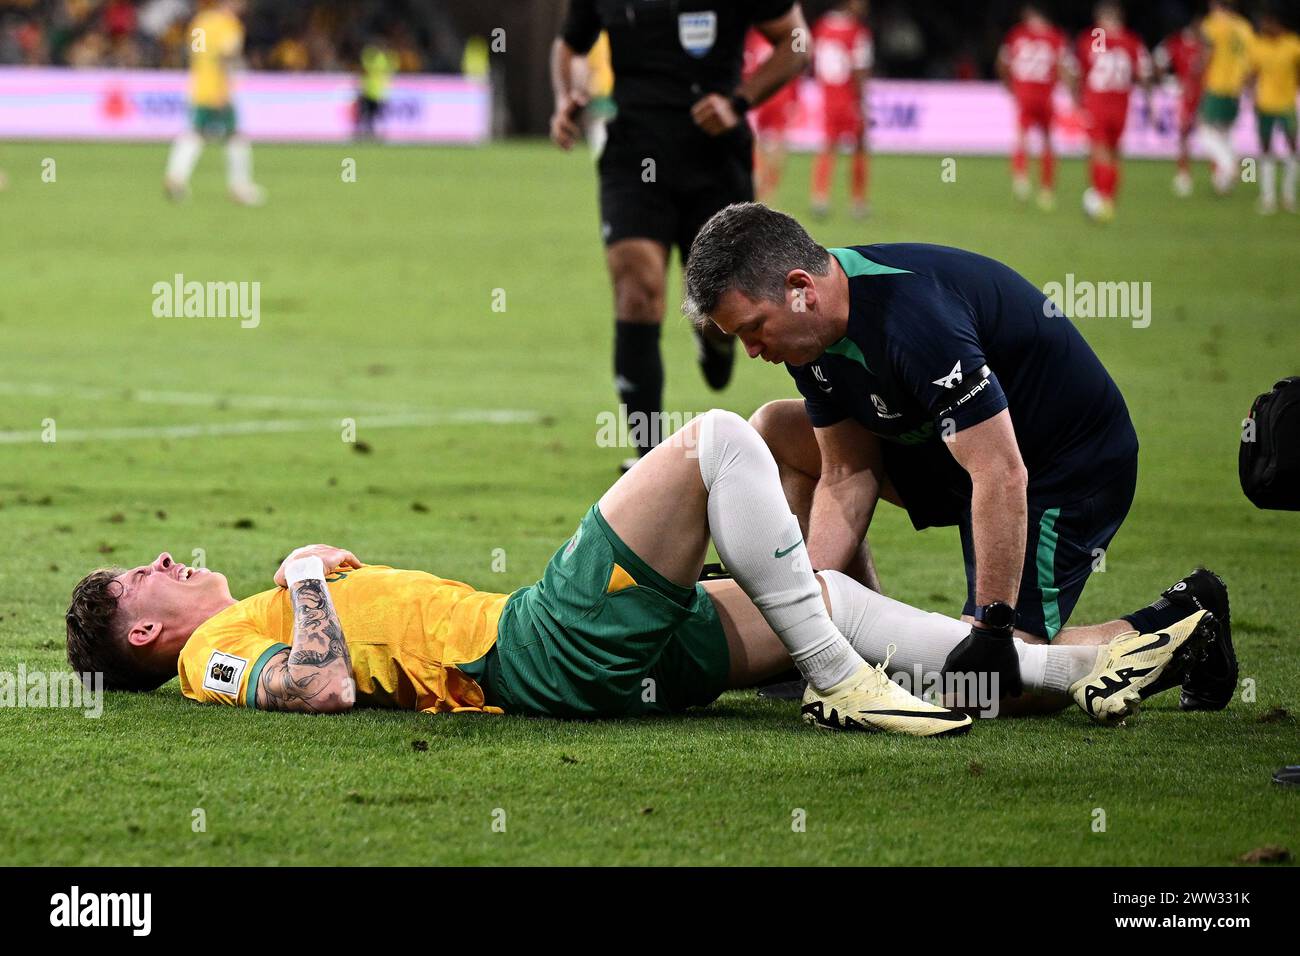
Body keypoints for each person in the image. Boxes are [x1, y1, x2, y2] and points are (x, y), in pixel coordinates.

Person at [65, 410, 1216, 732]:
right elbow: (320, 687)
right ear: (153, 638)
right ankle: (838, 682)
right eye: (139, 577)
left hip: (589, 655)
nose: (163, 559)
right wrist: (303, 570)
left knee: (835, 597)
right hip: (538, 645)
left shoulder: (226, 623)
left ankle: (1096, 660)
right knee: (719, 438)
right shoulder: (219, 652)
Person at [681, 202, 1237, 711]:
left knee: (993, 689)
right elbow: (848, 474)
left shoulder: (914, 319)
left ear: (801, 287)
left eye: (753, 329)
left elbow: (1000, 470)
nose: (752, 351)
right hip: (952, 448)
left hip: (1062, 466)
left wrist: (992, 631)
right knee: (776, 428)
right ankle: (867, 644)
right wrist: (813, 622)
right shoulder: (808, 332)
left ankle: (1182, 621)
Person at [549, 2, 811, 467]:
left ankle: (714, 340)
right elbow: (568, 46)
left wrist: (738, 101)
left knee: (720, 308)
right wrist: (566, 95)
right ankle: (649, 459)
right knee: (636, 290)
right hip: (633, 153)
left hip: (714, 159)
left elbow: (795, 42)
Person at [162, 0, 264, 206]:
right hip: (217, 89)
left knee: (196, 132)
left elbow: (195, 54)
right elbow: (225, 57)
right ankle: (239, 187)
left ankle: (175, 177)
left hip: (198, 86)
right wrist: (222, 89)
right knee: (235, 137)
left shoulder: (200, 22)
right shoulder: (229, 24)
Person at [1073, 2, 1152, 222]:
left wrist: (1077, 97)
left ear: (1101, 19)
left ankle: (1101, 198)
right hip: (1121, 105)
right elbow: (1145, 74)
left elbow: (1079, 70)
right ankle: (1109, 199)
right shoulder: (1133, 41)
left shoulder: (1091, 39)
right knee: (1115, 153)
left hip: (1098, 104)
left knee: (1098, 151)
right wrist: (1150, 100)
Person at [997, 4, 1071, 211]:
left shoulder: (1017, 35)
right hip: (1045, 95)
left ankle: (1021, 178)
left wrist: (1008, 84)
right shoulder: (1056, 37)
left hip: (1025, 94)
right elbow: (1064, 66)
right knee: (1047, 141)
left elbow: (1002, 62)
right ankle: (1046, 190)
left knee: (1022, 136)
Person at [810, 0, 873, 219]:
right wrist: (862, 101)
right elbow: (859, 68)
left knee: (828, 146)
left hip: (828, 96)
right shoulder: (857, 31)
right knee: (860, 146)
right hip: (848, 97)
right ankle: (858, 202)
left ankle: (820, 198)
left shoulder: (823, 25)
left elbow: (813, 58)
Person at [1197, 0, 1255, 195]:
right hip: (1235, 87)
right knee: (1226, 132)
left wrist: (1198, 69)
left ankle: (1229, 167)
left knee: (1205, 133)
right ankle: (1223, 181)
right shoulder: (1245, 27)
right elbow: (1250, 60)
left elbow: (1208, 51)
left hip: (1217, 85)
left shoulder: (1213, 23)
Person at [1247, 9, 1300, 214]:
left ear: (1276, 23)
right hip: (1265, 105)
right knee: (1266, 149)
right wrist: (1249, 94)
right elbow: (1252, 74)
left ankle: (1288, 196)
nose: (1263, 28)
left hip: (1286, 105)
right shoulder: (1259, 46)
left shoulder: (1293, 45)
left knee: (1292, 147)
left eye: (1266, 23)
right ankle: (1268, 197)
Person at [744, 28, 800, 203]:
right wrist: (794, 96)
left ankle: (758, 184)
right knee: (779, 142)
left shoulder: (754, 36)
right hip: (781, 94)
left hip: (759, 93)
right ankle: (769, 190)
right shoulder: (788, 32)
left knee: (755, 141)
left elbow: (746, 66)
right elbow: (796, 64)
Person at [1155, 16, 1205, 197]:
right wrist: (1167, 80)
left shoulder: (1205, 45)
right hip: (1186, 95)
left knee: (1209, 133)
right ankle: (1184, 174)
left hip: (1206, 93)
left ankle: (1220, 173)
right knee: (1184, 133)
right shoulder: (1175, 43)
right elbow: (1159, 59)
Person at [355, 38, 398, 141]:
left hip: (377, 91)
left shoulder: (382, 57)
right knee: (366, 113)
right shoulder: (370, 55)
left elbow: (389, 70)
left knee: (373, 114)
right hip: (368, 89)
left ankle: (371, 132)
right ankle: (365, 132)